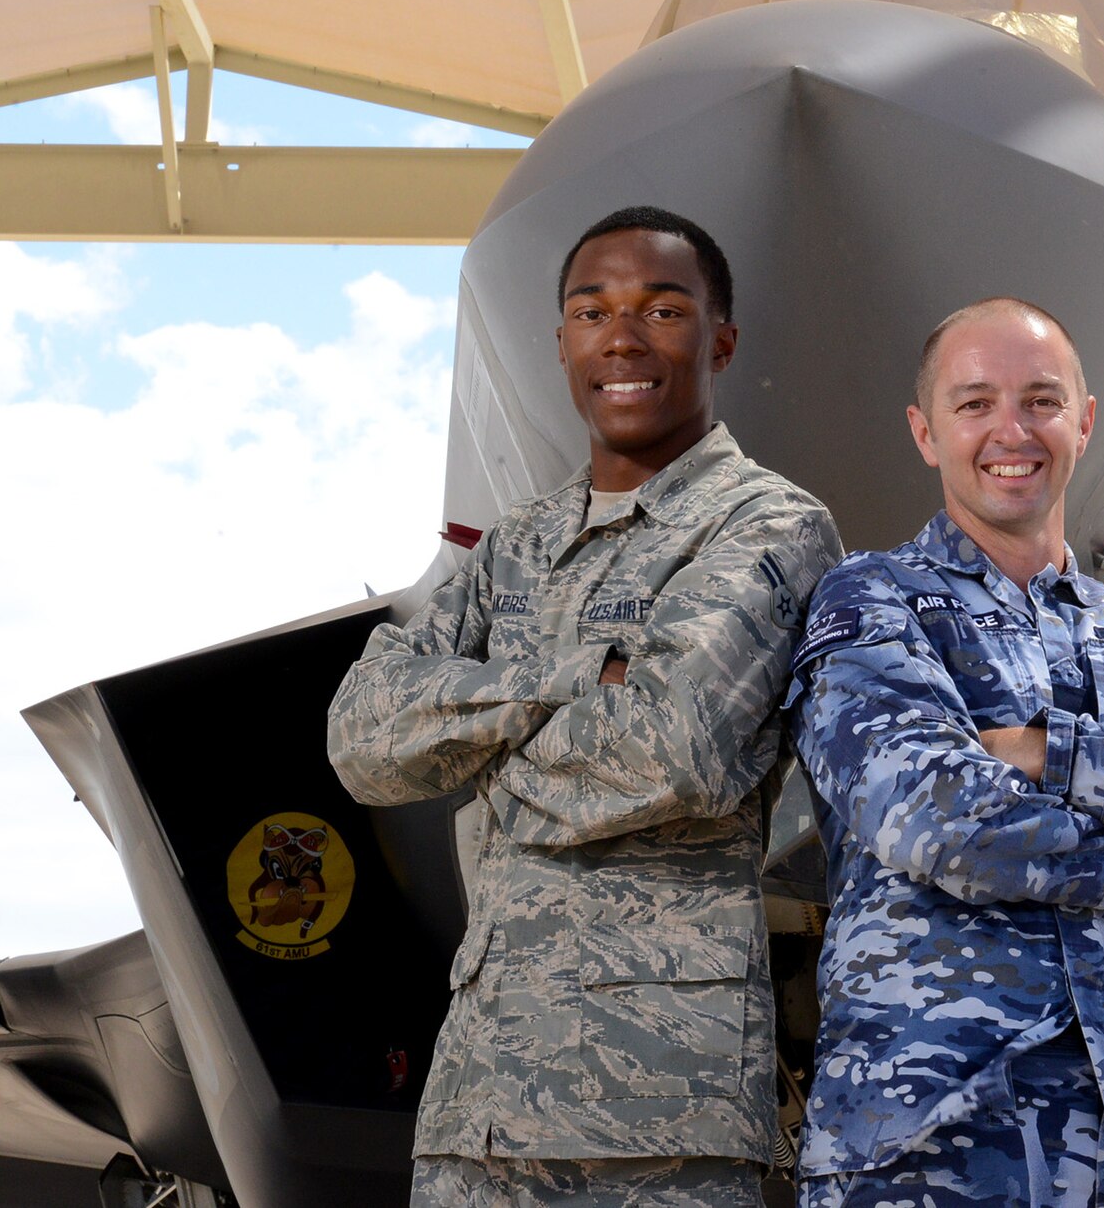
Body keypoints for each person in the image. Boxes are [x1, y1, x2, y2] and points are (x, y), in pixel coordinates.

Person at [329, 206, 842, 1208]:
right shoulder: (515, 544)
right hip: (477, 1113)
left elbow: (668, 752)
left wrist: (470, 739)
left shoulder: (767, 525)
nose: (621, 336)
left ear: (719, 340)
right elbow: (361, 738)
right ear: (560, 340)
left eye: (661, 309)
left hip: (658, 1119)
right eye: (590, 310)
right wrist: (572, 680)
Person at [786, 297, 1104, 1208]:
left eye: (1040, 399)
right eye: (974, 403)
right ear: (925, 431)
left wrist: (1053, 752)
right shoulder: (873, 604)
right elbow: (934, 816)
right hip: (931, 1146)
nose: (1010, 431)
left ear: (1084, 419)